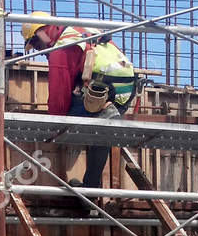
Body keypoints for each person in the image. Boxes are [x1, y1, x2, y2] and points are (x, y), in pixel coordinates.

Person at [19, 12, 144, 188]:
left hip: (100, 91)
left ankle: (104, 111)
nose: (39, 51)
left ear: (41, 32)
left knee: (70, 116)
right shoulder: (81, 30)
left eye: (36, 44)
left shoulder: (61, 48)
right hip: (125, 92)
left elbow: (59, 94)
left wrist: (55, 124)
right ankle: (91, 186)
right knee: (101, 137)